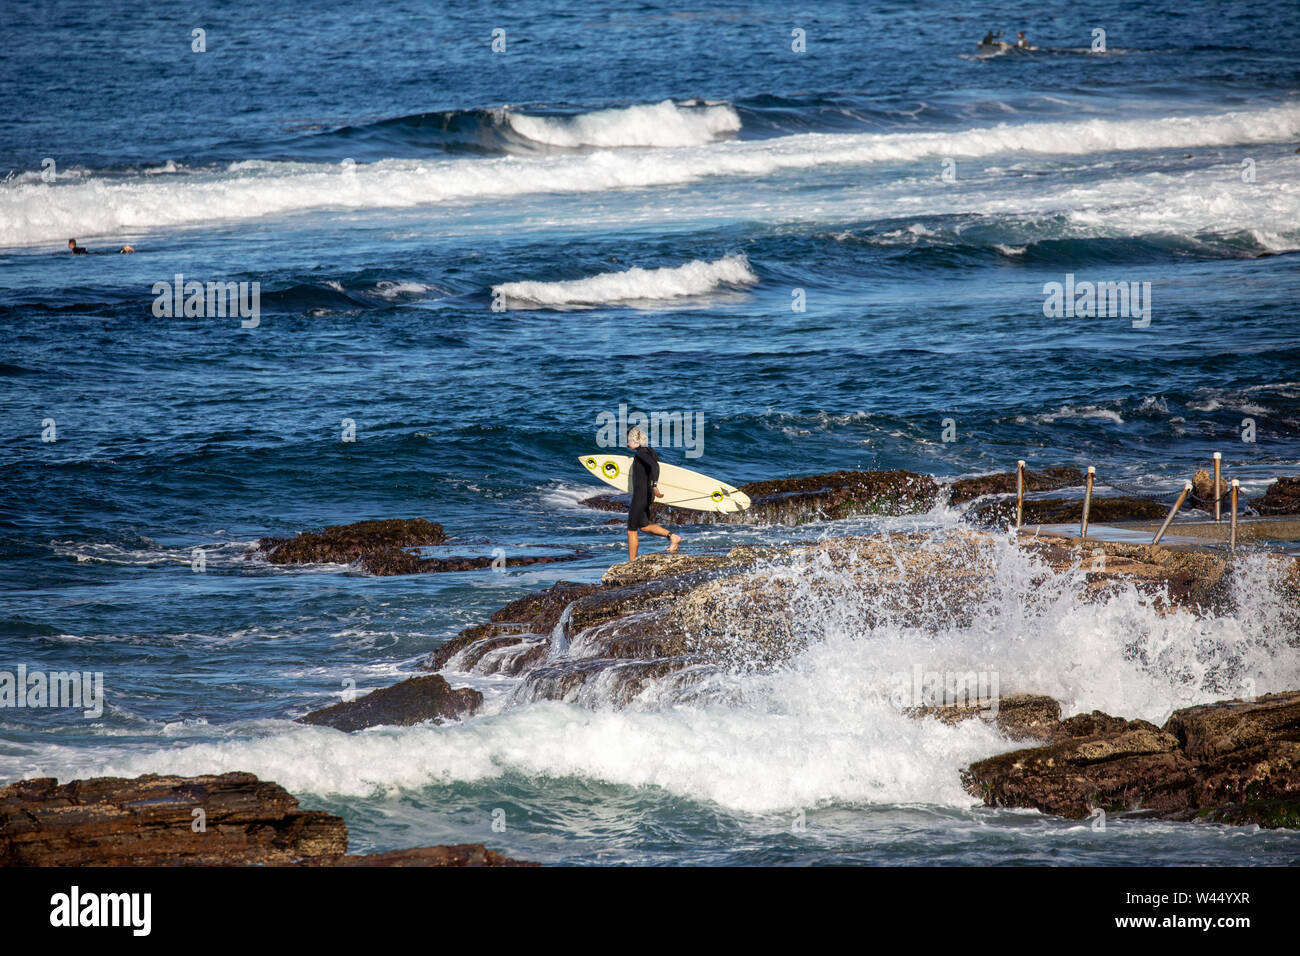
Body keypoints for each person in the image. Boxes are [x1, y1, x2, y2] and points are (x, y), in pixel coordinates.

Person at [625, 427, 681, 560]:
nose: (627, 444)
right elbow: (653, 466)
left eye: (628, 440)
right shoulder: (650, 451)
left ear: (635, 440)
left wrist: (655, 485)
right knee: (644, 526)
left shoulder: (641, 453)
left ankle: (631, 563)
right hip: (647, 495)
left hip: (641, 495)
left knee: (631, 529)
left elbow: (655, 466)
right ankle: (673, 537)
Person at [67, 238, 135, 254]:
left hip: (91, 254)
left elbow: (81, 250)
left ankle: (124, 249)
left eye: (68, 244)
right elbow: (83, 249)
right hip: (90, 253)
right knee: (111, 253)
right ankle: (123, 250)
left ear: (71, 244)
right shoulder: (75, 249)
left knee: (112, 253)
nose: (68, 245)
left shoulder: (74, 249)